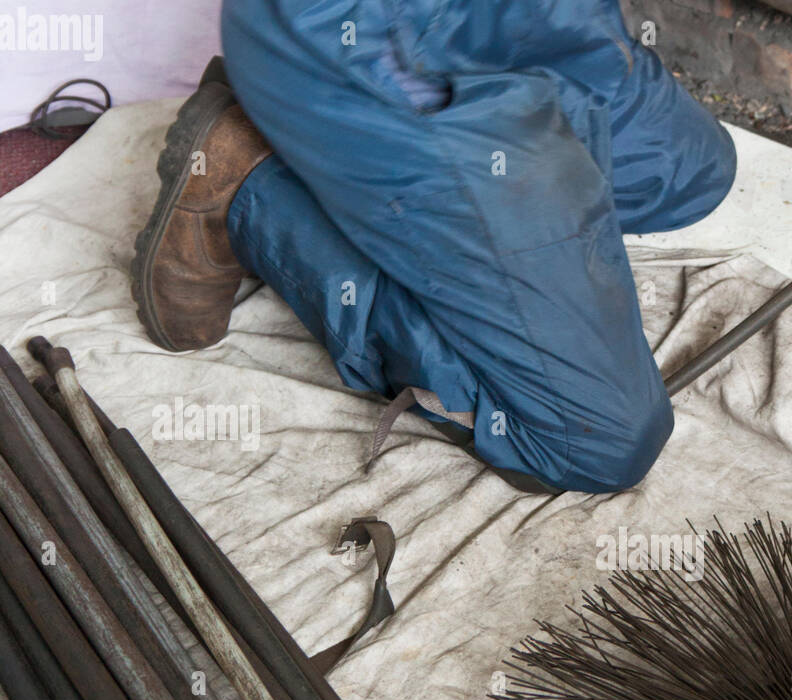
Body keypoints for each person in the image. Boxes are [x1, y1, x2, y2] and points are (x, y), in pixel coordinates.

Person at [132, 0, 736, 494]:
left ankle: (373, 187)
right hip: (382, 57)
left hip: (526, 26)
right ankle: (252, 185)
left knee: (687, 171)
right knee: (601, 442)